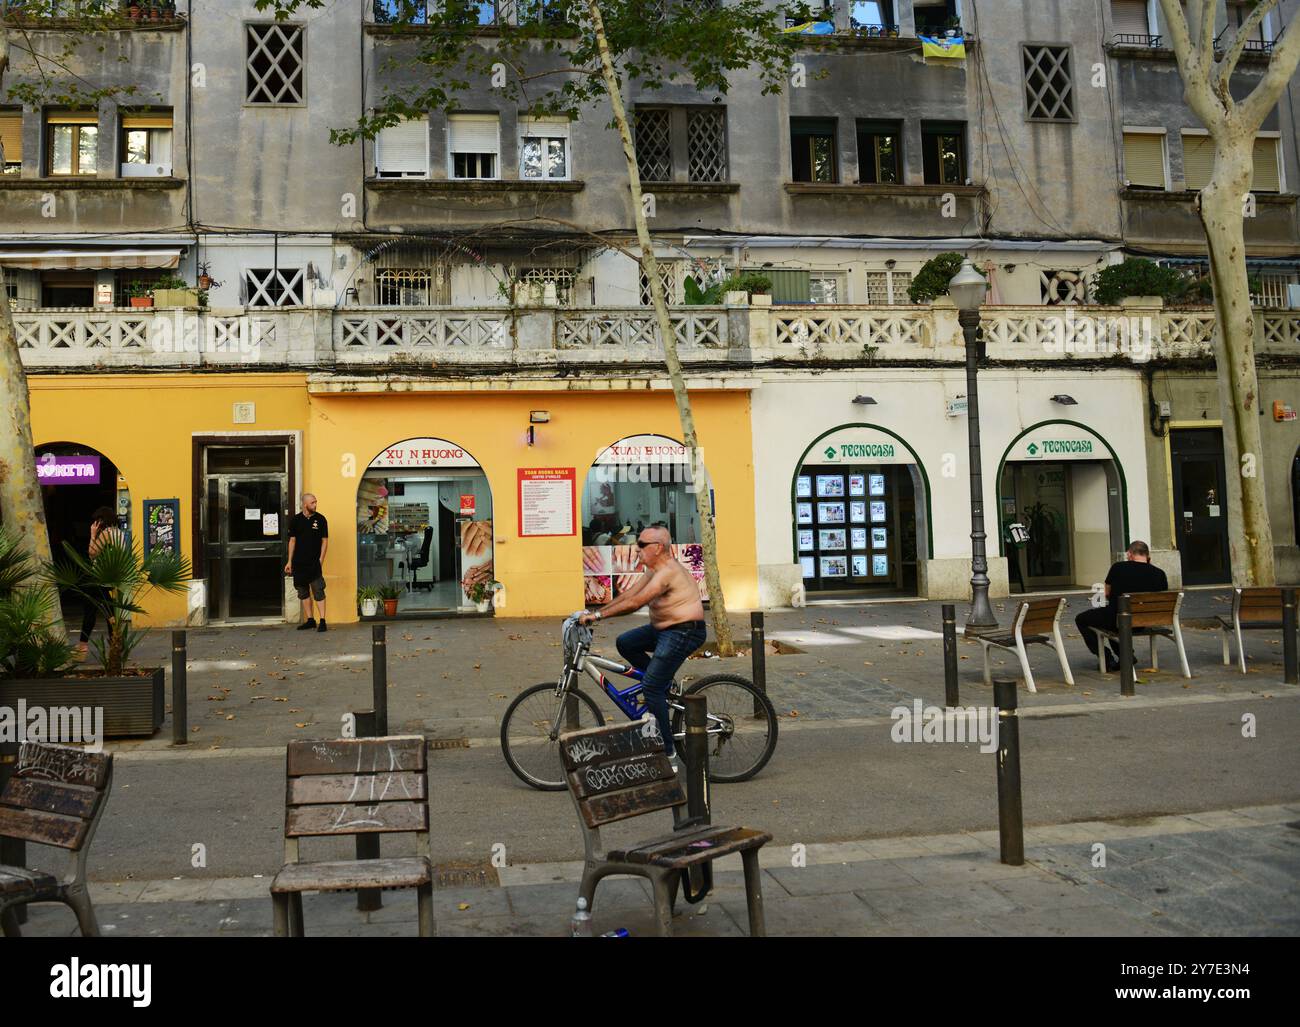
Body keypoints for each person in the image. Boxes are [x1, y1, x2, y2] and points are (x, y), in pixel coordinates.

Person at [578, 525, 705, 761]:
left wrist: (597, 617)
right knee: (625, 643)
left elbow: (636, 604)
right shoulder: (653, 569)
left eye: (641, 544)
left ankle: (667, 751)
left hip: (684, 632)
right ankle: (662, 683)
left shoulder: (667, 572)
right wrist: (594, 612)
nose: (636, 549)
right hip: (664, 629)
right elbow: (628, 595)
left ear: (657, 548)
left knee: (651, 687)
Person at [1075, 540, 1168, 671]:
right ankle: (1126, 655)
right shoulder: (1160, 574)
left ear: (1129, 554)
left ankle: (1107, 658)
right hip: (1144, 621)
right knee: (1113, 618)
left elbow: (1107, 593)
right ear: (1148, 556)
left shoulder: (1118, 567)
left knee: (1082, 619)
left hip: (1119, 619)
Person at [76, 506, 124, 658]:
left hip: (99, 578)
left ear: (102, 521)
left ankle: (83, 648)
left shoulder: (106, 534)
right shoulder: (119, 534)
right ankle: (115, 648)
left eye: (97, 521)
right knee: (108, 612)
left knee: (91, 612)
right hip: (113, 578)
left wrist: (92, 535)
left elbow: (92, 553)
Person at [285, 494, 329, 632]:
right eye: (312, 503)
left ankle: (322, 621)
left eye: (316, 502)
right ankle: (310, 620)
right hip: (299, 563)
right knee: (303, 592)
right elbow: (292, 541)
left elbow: (325, 541)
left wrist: (321, 559)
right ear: (305, 504)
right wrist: (289, 561)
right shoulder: (296, 520)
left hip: (314, 563)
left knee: (318, 591)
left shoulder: (321, 519)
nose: (315, 505)